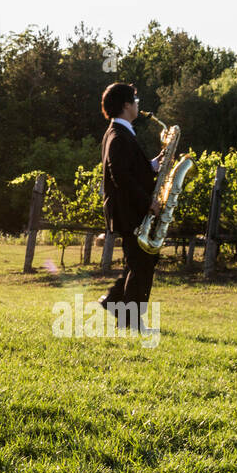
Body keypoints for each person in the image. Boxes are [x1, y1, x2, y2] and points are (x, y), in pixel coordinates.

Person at [96, 83, 163, 332]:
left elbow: (130, 169)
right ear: (126, 105)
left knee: (140, 260)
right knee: (142, 262)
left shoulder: (122, 132)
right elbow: (120, 175)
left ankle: (113, 301)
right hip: (129, 210)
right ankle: (129, 319)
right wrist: (148, 202)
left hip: (129, 208)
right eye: (135, 100)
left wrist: (154, 165)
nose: (138, 104)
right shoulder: (117, 135)